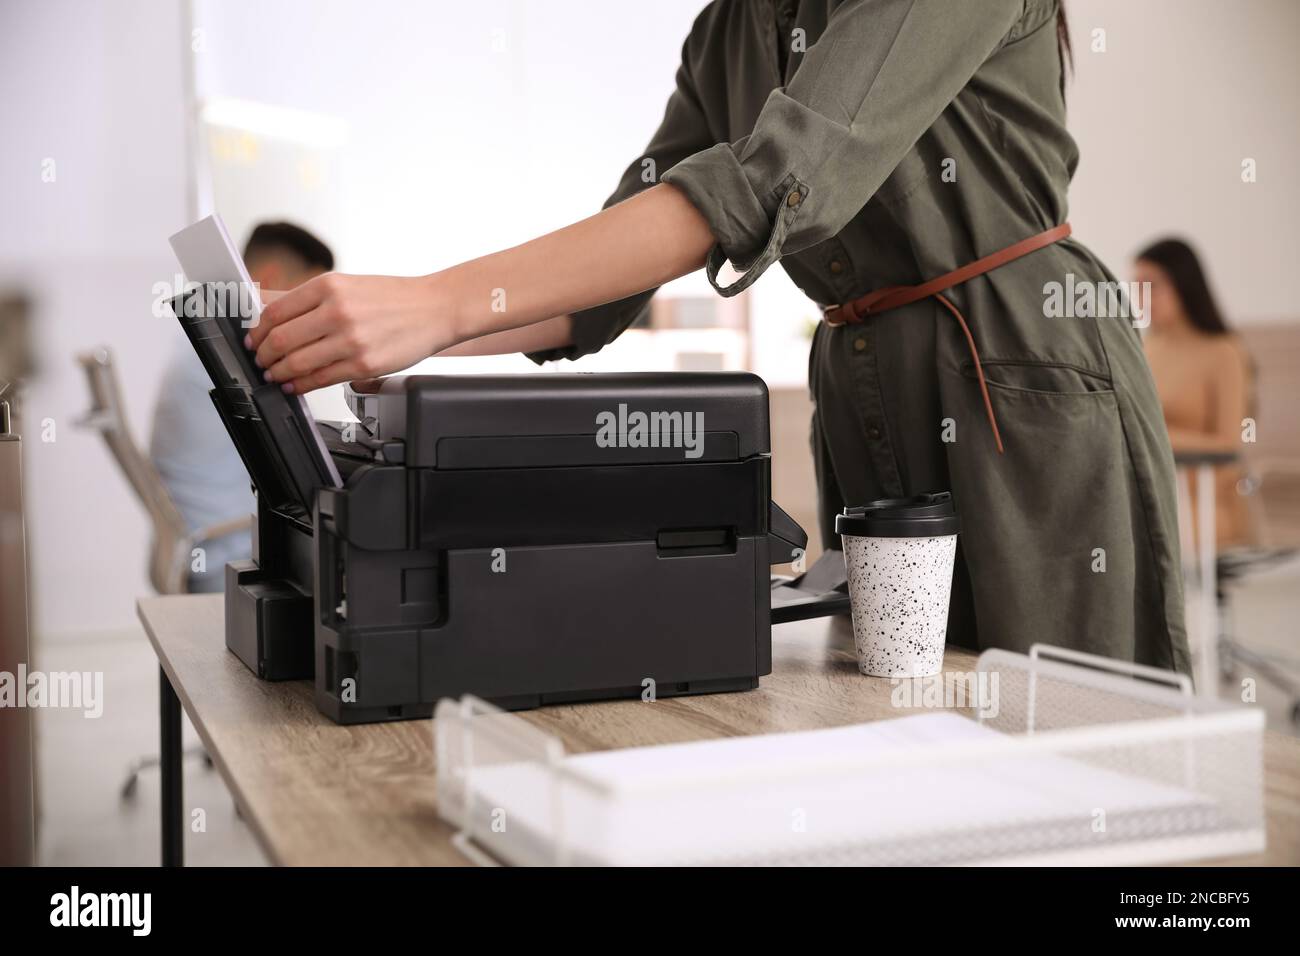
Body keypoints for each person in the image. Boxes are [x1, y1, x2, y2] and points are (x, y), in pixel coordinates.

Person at [247, 0, 1190, 675]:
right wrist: (396, 336)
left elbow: (773, 177)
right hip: (867, 376)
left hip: (1020, 369)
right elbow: (611, 280)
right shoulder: (728, 28)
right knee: (907, 710)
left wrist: (438, 302)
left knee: (1074, 720)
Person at [150, 221, 333, 592]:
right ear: (271, 277)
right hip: (229, 551)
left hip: (199, 543)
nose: (315, 314)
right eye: (309, 296)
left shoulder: (209, 343)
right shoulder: (238, 361)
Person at [1137, 238, 1254, 551]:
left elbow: (1230, 442)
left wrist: (1154, 435)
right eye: (1136, 285)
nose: (1141, 296)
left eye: (1151, 285)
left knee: (1132, 533)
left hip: (1205, 501)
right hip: (1153, 488)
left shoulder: (1224, 351)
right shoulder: (1146, 348)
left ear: (1183, 284)